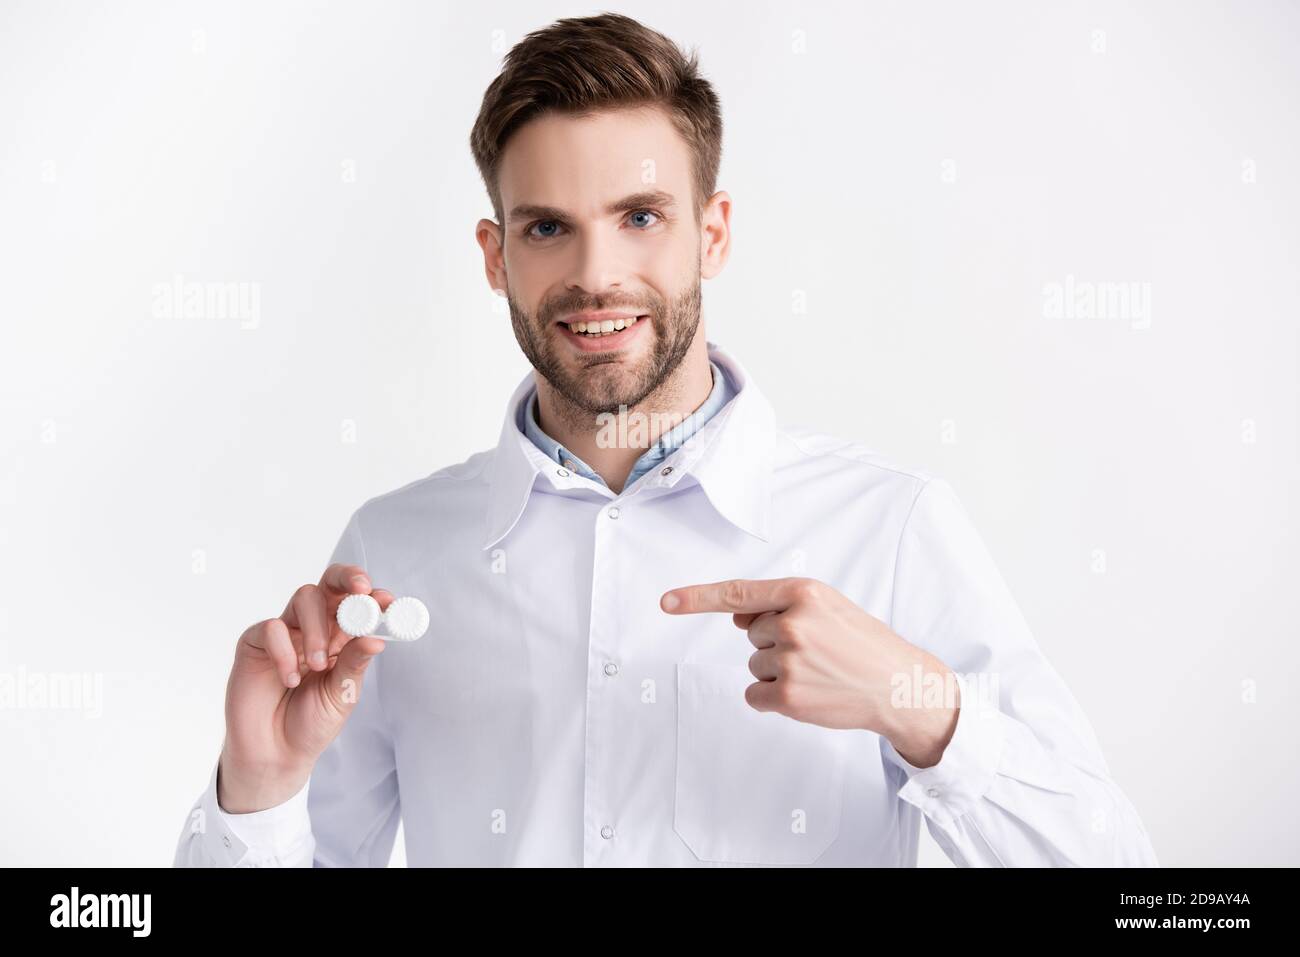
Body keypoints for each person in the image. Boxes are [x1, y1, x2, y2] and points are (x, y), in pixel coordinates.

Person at [174, 12, 1158, 867]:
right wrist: (257, 792)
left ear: (712, 234)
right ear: (496, 256)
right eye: (549, 228)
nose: (597, 275)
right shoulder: (394, 557)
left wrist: (924, 710)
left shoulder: (888, 531)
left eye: (640, 216)